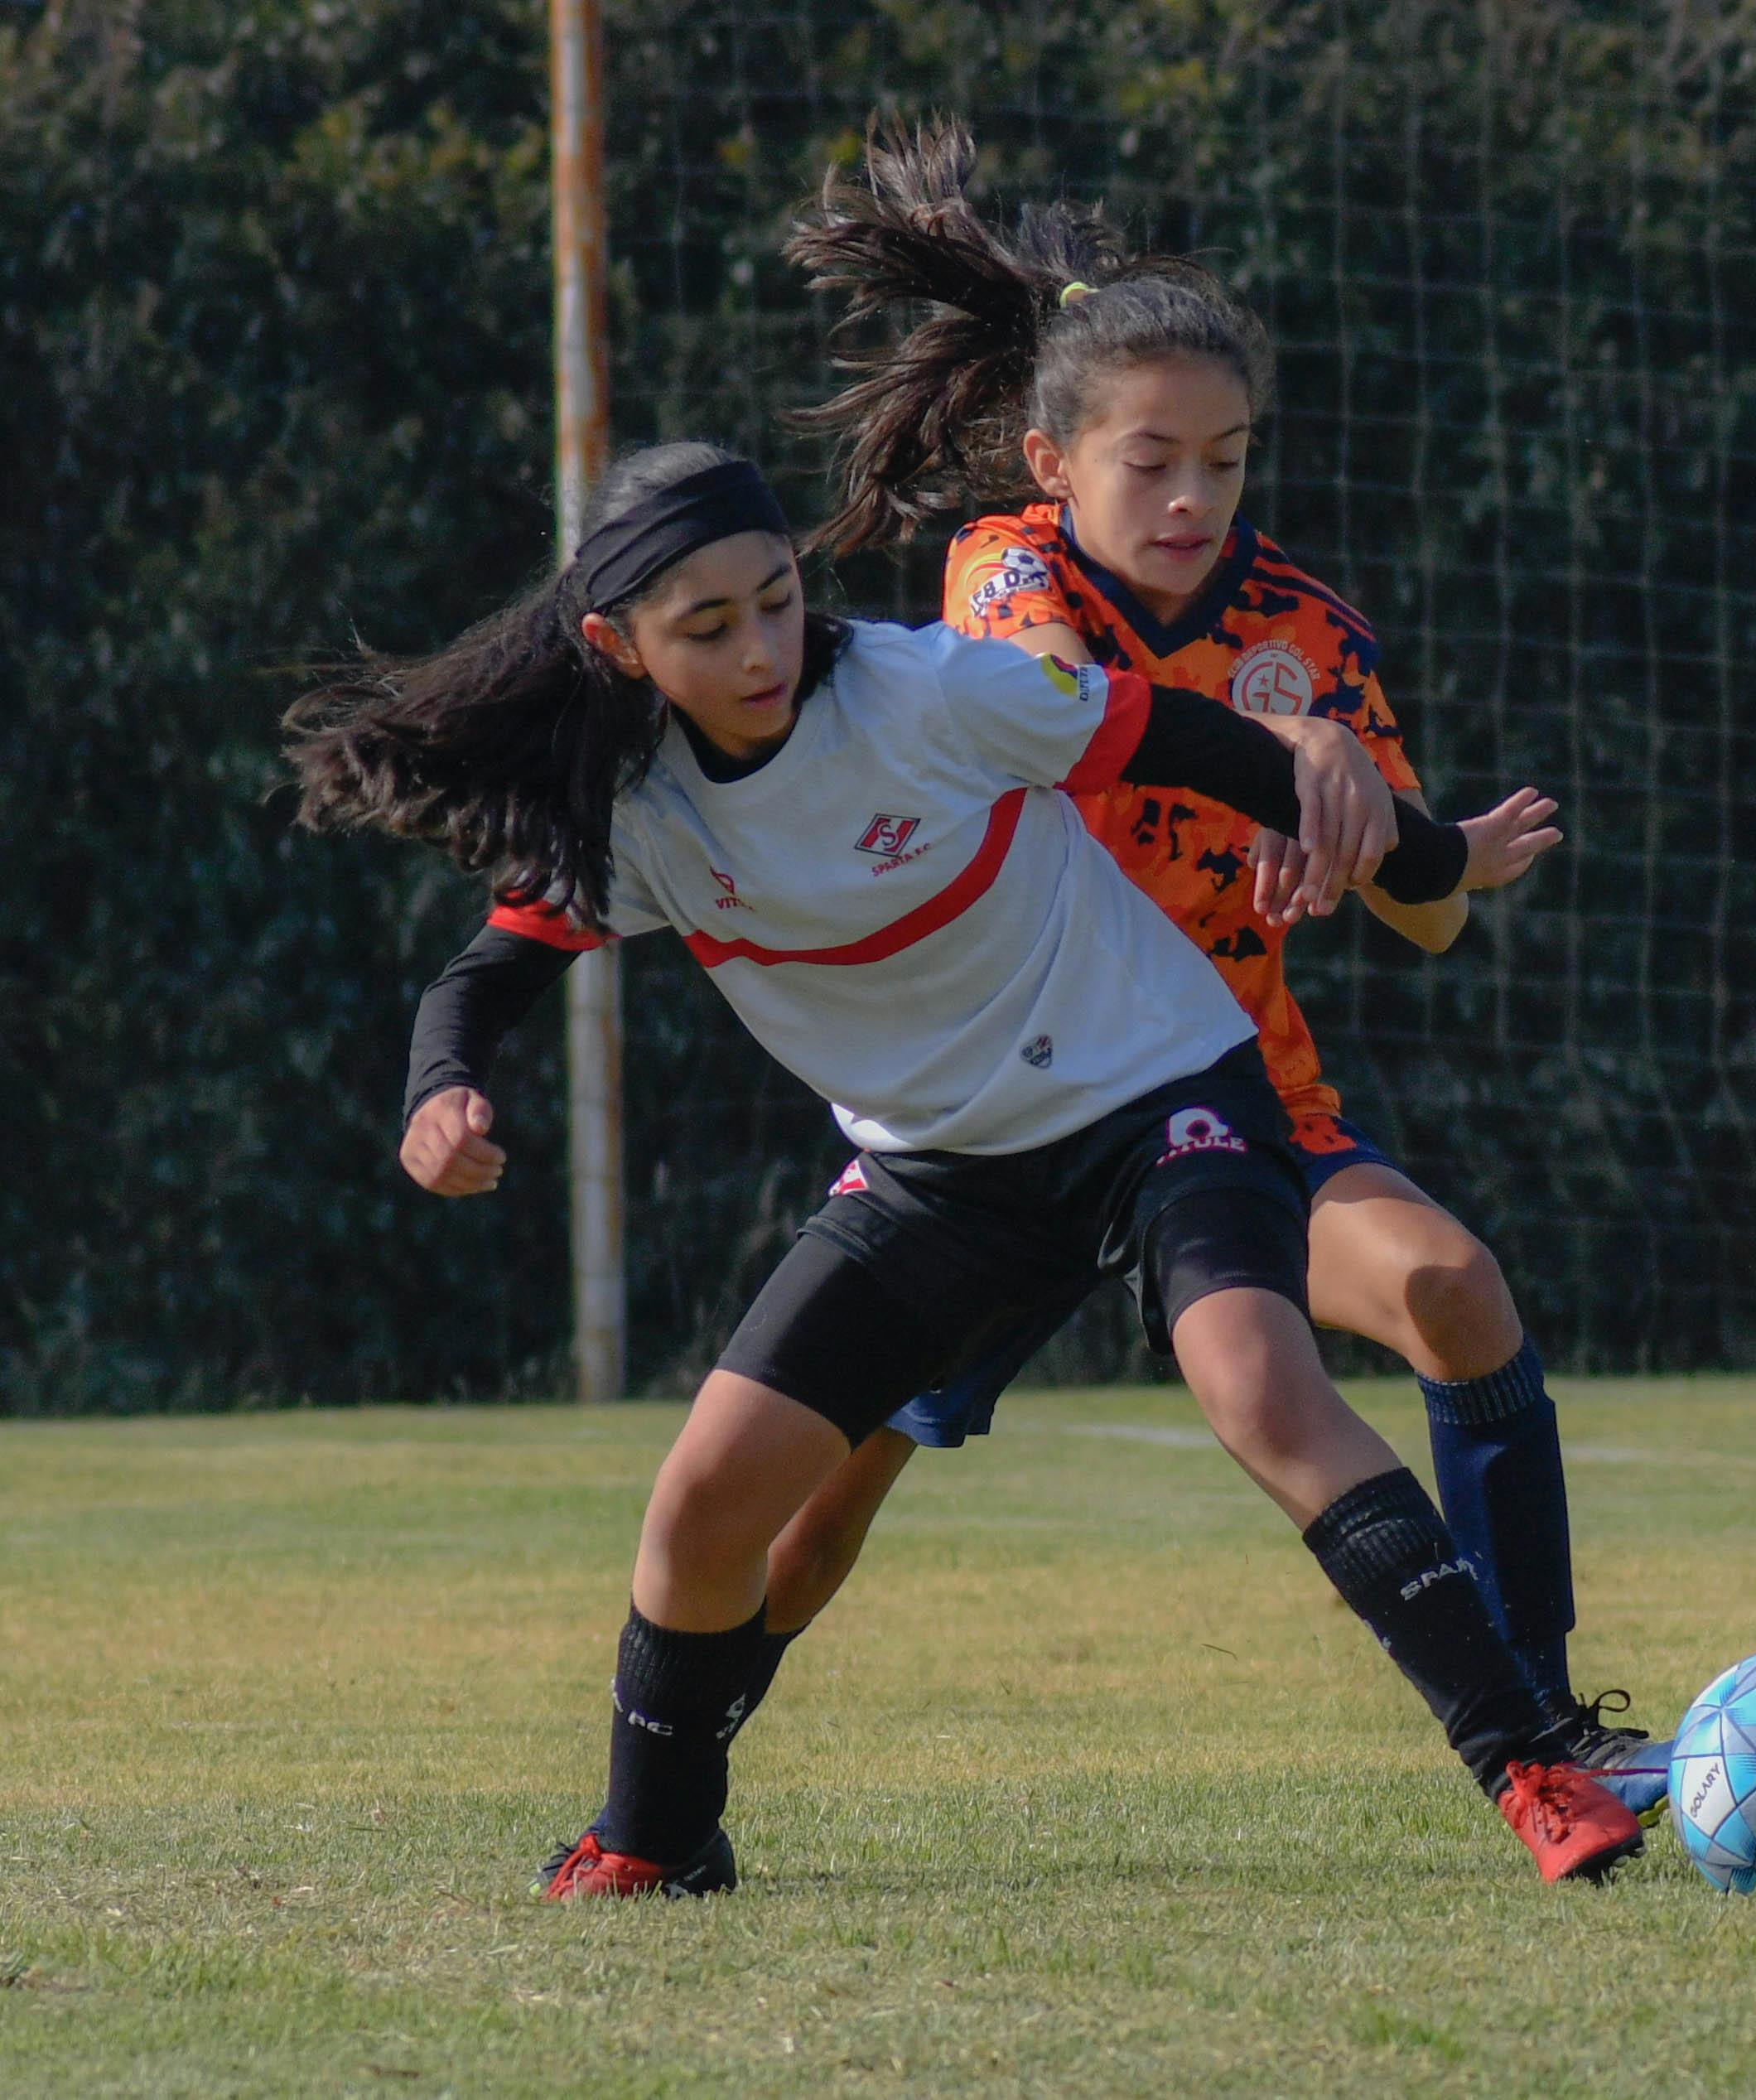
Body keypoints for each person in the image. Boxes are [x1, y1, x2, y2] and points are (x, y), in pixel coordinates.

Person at [282, 438, 1641, 1895]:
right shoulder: (640, 816)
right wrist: (444, 1094)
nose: (762, 647)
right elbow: (478, 983)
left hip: (1158, 1100)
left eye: (777, 598)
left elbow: (1201, 745)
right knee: (708, 1507)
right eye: (709, 627)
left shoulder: (936, 689)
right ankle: (654, 1842)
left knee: (1260, 1386)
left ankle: (1529, 1762)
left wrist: (1421, 855)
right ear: (618, 648)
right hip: (940, 1180)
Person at [745, 116, 1672, 1816]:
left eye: (1226, 462)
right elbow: (1053, 727)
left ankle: (1548, 1719)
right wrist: (1284, 757)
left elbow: (1428, 915)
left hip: (1228, 1108)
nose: (1191, 497)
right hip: (994, 1124)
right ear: (1052, 461)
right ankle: (676, 1762)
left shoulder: (1306, 629)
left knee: (1452, 1285)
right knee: (807, 1531)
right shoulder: (1004, 575)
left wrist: (1382, 839)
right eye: (1150, 460)